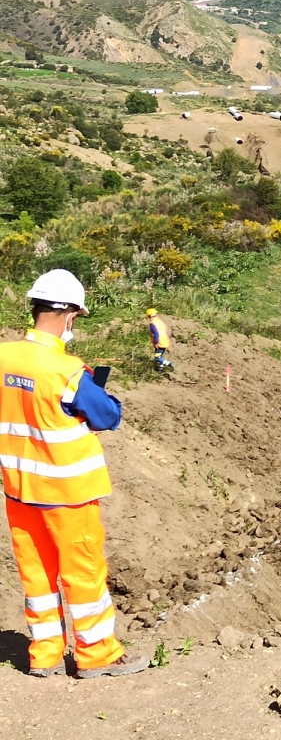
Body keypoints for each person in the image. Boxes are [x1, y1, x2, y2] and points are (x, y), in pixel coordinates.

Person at [1, 269, 149, 678]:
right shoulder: (64, 370)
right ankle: (96, 655)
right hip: (67, 493)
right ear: (68, 315)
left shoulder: (2, 357)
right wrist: (99, 390)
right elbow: (107, 415)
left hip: (18, 492)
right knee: (82, 575)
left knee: (36, 574)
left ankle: (45, 653)